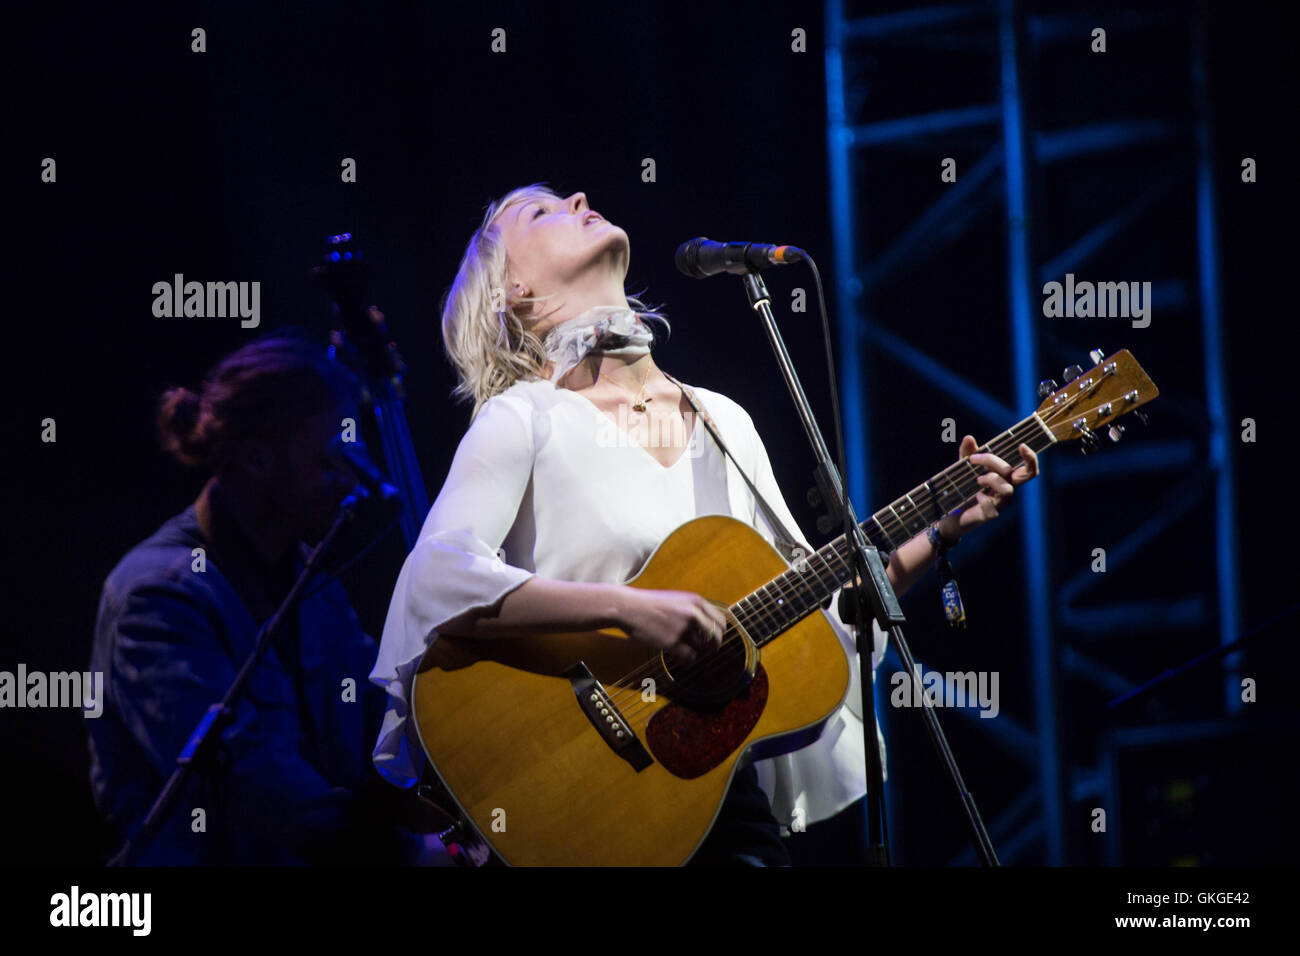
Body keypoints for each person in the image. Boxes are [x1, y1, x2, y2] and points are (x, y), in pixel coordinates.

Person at [369, 184, 1040, 865]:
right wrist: (629, 610)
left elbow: (819, 618)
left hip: (715, 804)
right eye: (540, 212)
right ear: (512, 292)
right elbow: (437, 576)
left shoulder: (724, 420)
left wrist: (941, 531)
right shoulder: (524, 418)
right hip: (581, 800)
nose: (577, 196)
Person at [89, 332, 447, 865]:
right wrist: (412, 854)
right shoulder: (155, 597)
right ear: (257, 459)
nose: (350, 480)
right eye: (329, 458)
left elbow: (372, 715)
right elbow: (256, 784)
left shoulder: (305, 574)